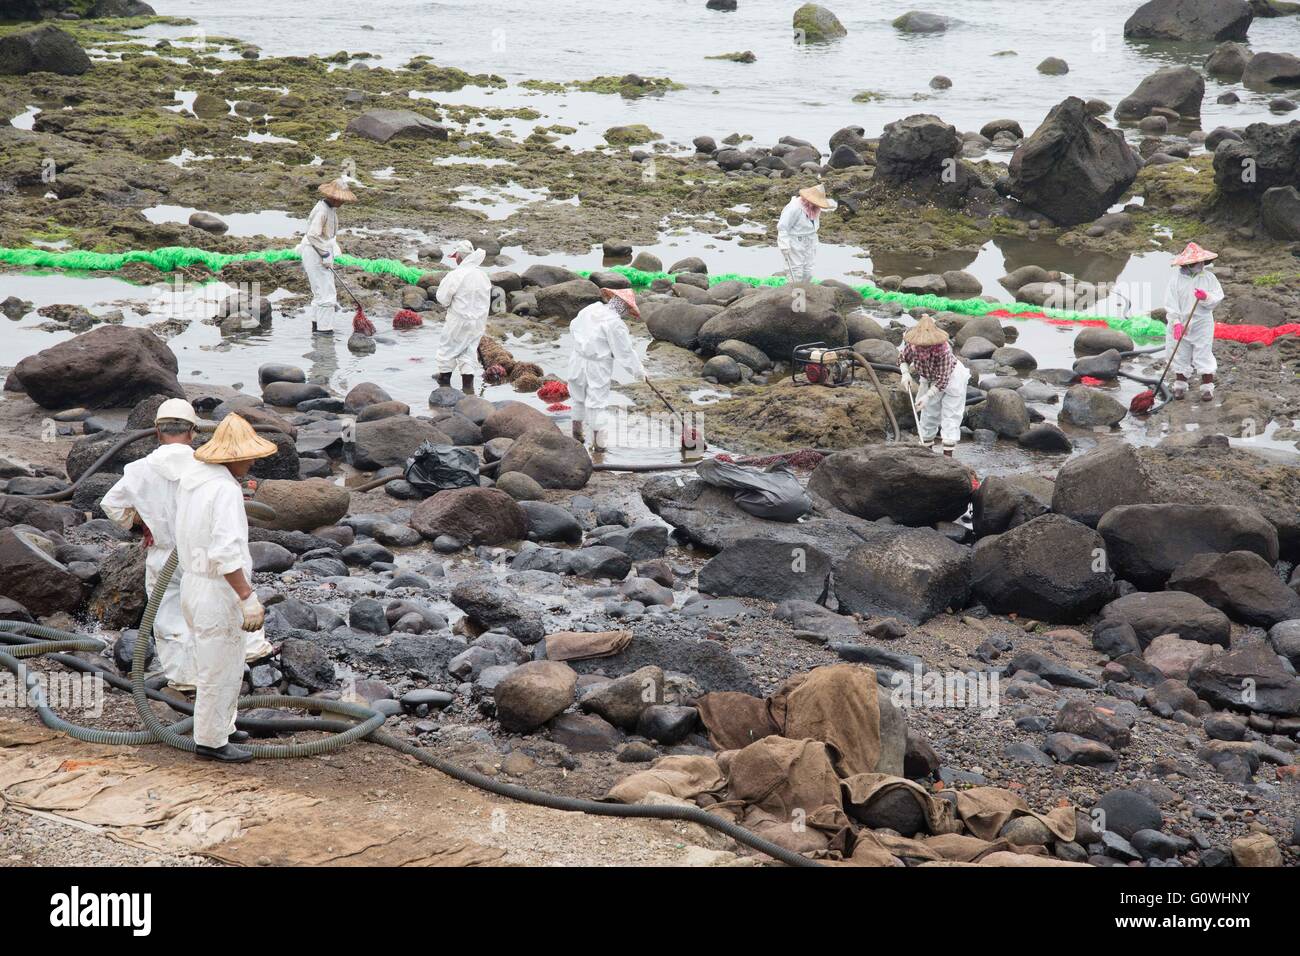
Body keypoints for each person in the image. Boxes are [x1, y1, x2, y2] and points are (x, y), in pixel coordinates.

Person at [174, 414, 277, 763]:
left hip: (192, 581)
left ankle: (225, 725)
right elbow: (226, 552)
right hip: (216, 588)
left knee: (217, 660)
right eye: (248, 457)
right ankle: (212, 741)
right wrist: (247, 596)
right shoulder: (225, 490)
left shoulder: (195, 479)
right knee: (220, 667)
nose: (251, 463)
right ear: (233, 457)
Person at [101, 398, 202, 691]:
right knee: (204, 614)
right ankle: (210, 675)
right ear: (192, 431)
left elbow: (112, 505)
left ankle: (183, 679)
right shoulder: (206, 465)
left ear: (157, 432)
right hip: (200, 553)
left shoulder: (138, 469)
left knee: (168, 616)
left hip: (162, 551)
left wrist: (140, 523)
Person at [567, 288, 646, 453]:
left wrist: (580, 345)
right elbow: (625, 353)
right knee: (597, 403)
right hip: (597, 365)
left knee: (578, 397)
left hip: (577, 359)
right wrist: (639, 372)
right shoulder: (615, 324)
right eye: (626, 309)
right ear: (623, 307)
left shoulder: (590, 309)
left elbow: (573, 326)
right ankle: (599, 446)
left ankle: (577, 435)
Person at [899, 315, 970, 457]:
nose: (922, 348)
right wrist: (905, 373)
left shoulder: (943, 351)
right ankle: (928, 454)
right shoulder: (913, 343)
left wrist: (928, 396)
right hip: (929, 379)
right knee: (928, 415)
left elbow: (943, 380)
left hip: (952, 379)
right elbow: (902, 358)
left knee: (950, 416)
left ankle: (947, 457)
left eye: (926, 346)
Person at [1165, 242, 1223, 402]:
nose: (1200, 265)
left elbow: (1217, 296)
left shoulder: (1209, 278)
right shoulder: (1175, 279)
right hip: (1181, 321)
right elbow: (1171, 302)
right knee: (1180, 353)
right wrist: (1176, 321)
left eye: (1201, 262)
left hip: (1202, 322)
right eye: (1197, 263)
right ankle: (1180, 386)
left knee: (1203, 352)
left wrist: (1206, 297)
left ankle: (1207, 389)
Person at [298, 178, 356, 336]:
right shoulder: (322, 211)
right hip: (314, 252)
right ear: (333, 197)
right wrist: (324, 254)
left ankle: (317, 328)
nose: (342, 202)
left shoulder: (330, 208)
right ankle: (325, 334)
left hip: (319, 250)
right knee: (327, 294)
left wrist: (329, 251)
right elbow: (312, 235)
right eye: (341, 199)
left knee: (320, 292)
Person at [434, 239, 491, 395]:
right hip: (478, 322)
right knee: (469, 353)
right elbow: (486, 301)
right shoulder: (483, 275)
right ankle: (468, 390)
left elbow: (442, 299)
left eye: (456, 256)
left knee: (447, 351)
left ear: (459, 256)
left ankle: (444, 387)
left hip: (458, 320)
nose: (456, 259)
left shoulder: (456, 275)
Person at [777, 183, 836, 283]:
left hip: (810, 239)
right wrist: (784, 245)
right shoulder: (794, 207)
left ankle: (806, 289)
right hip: (796, 241)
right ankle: (794, 292)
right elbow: (783, 227)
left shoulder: (814, 208)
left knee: (808, 269)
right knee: (796, 270)